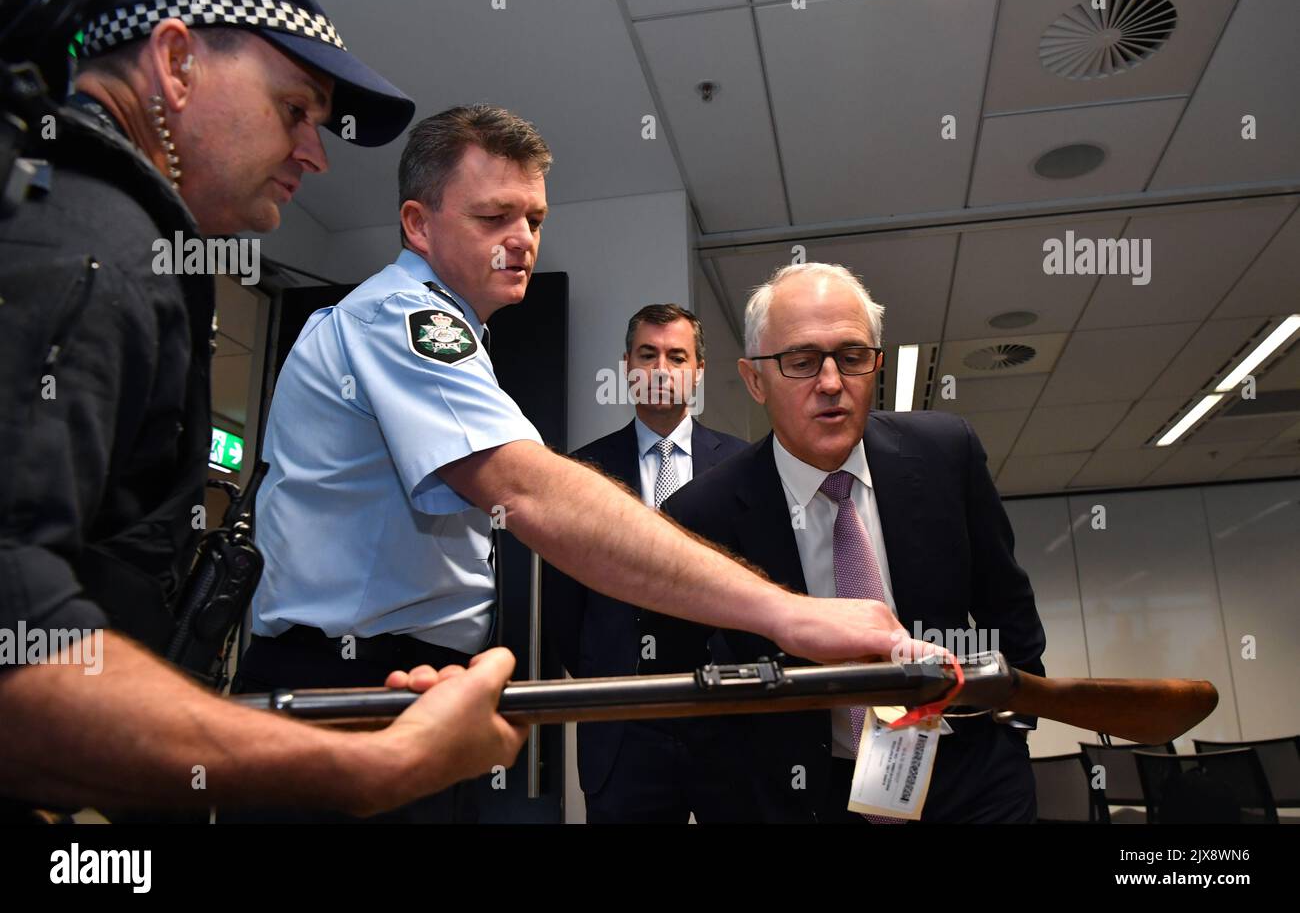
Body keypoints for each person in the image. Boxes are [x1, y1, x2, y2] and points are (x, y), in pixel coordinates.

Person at [243, 106, 943, 819]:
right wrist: (787, 616)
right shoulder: (403, 321)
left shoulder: (448, 331)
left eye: (534, 220)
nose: (521, 242)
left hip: (405, 680)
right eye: (493, 218)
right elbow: (529, 493)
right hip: (343, 682)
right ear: (419, 225)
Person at [0, 0, 525, 821]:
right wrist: (375, 769)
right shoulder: (99, 249)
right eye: (295, 111)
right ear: (175, 64)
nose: (314, 153)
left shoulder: (110, 234)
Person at [662, 263, 1048, 823]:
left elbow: (1007, 609)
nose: (830, 382)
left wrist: (1012, 733)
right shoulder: (704, 513)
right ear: (754, 380)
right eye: (800, 361)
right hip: (802, 800)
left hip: (966, 781)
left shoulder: (945, 454)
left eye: (852, 356)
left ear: (877, 365)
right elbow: (682, 683)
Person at [544, 304, 749, 823]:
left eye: (677, 356)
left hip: (725, 718)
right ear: (627, 367)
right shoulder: (581, 473)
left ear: (698, 371)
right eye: (647, 355)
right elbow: (564, 607)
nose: (661, 369)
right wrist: (605, 669)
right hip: (624, 727)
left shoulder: (745, 467)